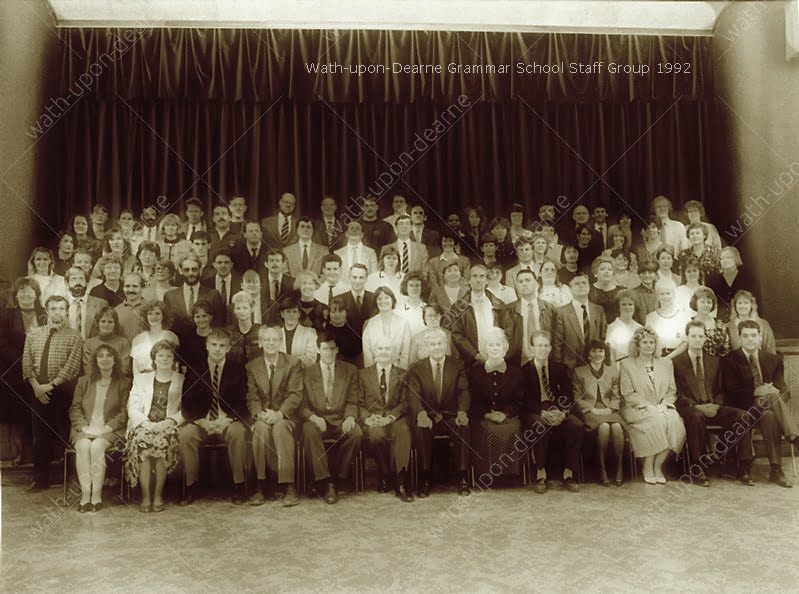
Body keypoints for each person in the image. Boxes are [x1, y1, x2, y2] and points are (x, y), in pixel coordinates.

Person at [673, 321, 754, 487]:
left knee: (743, 416)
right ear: (687, 338)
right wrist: (697, 406)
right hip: (691, 409)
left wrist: (716, 405)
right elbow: (678, 392)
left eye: (700, 336)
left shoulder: (715, 361)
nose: (697, 340)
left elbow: (721, 390)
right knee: (695, 418)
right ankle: (698, 468)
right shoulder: (677, 362)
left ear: (705, 338)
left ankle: (743, 468)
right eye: (693, 336)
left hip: (713, 407)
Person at [721, 320, 798, 488]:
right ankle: (793, 436)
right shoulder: (729, 360)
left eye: (753, 335)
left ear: (760, 337)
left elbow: (784, 390)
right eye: (746, 336)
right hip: (742, 408)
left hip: (766, 408)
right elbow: (731, 392)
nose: (750, 339)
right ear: (740, 338)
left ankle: (775, 469)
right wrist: (757, 391)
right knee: (767, 397)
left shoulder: (773, 358)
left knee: (769, 414)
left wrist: (771, 393)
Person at [179, 329, 250, 505]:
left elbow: (243, 403)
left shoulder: (237, 369)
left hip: (227, 420)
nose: (217, 349)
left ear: (228, 348)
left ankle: (238, 485)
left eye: (222, 346)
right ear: (207, 346)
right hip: (202, 421)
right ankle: (191, 486)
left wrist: (227, 419)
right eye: (214, 345)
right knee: (186, 434)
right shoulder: (195, 369)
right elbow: (186, 402)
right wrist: (202, 421)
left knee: (238, 433)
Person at [22, 295, 83, 491]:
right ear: (47, 311)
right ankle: (40, 479)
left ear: (67, 312)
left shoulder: (74, 336)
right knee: (40, 436)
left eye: (61, 308)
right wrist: (36, 386)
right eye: (53, 309)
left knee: (66, 433)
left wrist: (51, 385)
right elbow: (27, 363)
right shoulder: (34, 334)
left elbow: (72, 366)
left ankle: (72, 477)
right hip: (38, 391)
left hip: (62, 391)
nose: (57, 312)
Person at [299, 331, 363, 504]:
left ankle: (339, 477)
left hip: (340, 418)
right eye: (325, 349)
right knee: (308, 430)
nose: (328, 353)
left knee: (356, 433)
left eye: (332, 349)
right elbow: (301, 405)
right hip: (317, 419)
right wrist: (313, 417)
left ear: (337, 350)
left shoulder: (349, 370)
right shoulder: (306, 373)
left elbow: (353, 399)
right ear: (319, 350)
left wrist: (350, 417)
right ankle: (325, 481)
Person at [406, 328, 472, 497]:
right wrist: (420, 413)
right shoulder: (416, 368)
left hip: (450, 415)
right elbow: (413, 394)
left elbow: (463, 391)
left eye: (440, 343)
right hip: (427, 415)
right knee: (421, 430)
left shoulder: (457, 365)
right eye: (432, 344)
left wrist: (462, 412)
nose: (436, 347)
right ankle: (425, 477)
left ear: (446, 344)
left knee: (464, 427)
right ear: (427, 346)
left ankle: (463, 477)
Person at [619, 326, 686, 484]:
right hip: (636, 408)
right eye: (645, 342)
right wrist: (648, 406)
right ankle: (647, 466)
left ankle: (658, 465)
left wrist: (664, 404)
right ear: (637, 344)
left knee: (675, 422)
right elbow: (627, 393)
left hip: (662, 406)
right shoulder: (627, 364)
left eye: (652, 342)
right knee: (656, 422)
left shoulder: (666, 363)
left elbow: (672, 390)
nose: (649, 345)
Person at [124, 341, 185, 512]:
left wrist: (169, 422)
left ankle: (158, 495)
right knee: (144, 444)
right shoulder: (141, 378)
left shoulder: (181, 380)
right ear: (154, 358)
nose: (165, 359)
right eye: (161, 355)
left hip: (168, 425)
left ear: (174, 359)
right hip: (143, 424)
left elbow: (184, 410)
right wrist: (146, 423)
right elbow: (133, 407)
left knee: (161, 444)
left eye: (169, 356)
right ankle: (145, 496)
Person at [246, 325, 304, 506]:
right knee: (261, 430)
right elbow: (252, 396)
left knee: (280, 429)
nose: (271, 343)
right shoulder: (252, 366)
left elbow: (295, 394)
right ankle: (260, 485)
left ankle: (289, 486)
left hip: (285, 416)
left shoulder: (292, 363)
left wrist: (280, 414)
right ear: (260, 343)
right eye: (266, 340)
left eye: (275, 339)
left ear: (280, 342)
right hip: (263, 416)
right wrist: (259, 414)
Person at [69, 345, 131, 511]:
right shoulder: (84, 381)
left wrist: (108, 427)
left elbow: (125, 411)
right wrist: (84, 426)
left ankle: (96, 497)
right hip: (85, 427)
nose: (104, 359)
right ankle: (84, 497)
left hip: (110, 429)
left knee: (96, 446)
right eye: (100, 356)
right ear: (95, 360)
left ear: (114, 360)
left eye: (108, 356)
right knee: (83, 445)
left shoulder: (124, 382)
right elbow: (75, 407)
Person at [522, 330, 583, 494]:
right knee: (539, 425)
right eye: (539, 346)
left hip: (557, 409)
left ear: (550, 348)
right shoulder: (524, 370)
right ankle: (540, 474)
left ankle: (569, 474)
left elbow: (568, 394)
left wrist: (562, 411)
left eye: (546, 345)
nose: (543, 349)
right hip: (536, 411)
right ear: (532, 348)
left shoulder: (560, 368)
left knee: (575, 425)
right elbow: (523, 400)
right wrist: (542, 412)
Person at [358, 336, 414, 502]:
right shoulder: (363, 374)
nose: (383, 352)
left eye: (387, 349)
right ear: (374, 351)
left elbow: (405, 402)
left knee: (403, 431)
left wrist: (390, 417)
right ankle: (385, 473)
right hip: (373, 418)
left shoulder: (403, 374)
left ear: (394, 353)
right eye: (380, 349)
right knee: (376, 435)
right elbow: (358, 402)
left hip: (395, 417)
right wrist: (367, 418)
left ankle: (401, 480)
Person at [0, 278, 46, 466]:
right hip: (13, 372)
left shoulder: (44, 314)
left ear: (36, 295)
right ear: (16, 294)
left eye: (30, 291)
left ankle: (39, 454)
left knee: (37, 414)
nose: (26, 294)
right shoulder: (6, 315)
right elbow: (1, 342)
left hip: (40, 372)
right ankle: (20, 453)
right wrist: (22, 362)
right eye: (22, 291)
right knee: (17, 415)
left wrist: (36, 365)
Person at [468, 327, 525, 480]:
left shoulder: (516, 373)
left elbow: (519, 400)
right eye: (491, 345)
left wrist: (505, 413)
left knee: (513, 428)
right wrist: (487, 414)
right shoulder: (475, 372)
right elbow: (473, 400)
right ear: (485, 348)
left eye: (498, 345)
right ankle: (487, 475)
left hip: (508, 416)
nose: (494, 348)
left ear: (505, 348)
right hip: (483, 417)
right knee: (486, 430)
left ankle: (510, 475)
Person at [574, 341, 627, 487]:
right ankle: (601, 468)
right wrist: (592, 409)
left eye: (601, 351)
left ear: (605, 354)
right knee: (604, 427)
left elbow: (617, 395)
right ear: (588, 354)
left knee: (616, 427)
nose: (598, 354)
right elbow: (577, 397)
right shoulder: (579, 372)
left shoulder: (612, 371)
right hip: (590, 410)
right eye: (594, 351)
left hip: (609, 409)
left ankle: (619, 467)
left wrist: (611, 408)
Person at [449, 265, 511, 365]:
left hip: (496, 359)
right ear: (469, 280)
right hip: (471, 361)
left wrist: (498, 352)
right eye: (475, 276)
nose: (478, 280)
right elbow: (457, 335)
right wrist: (475, 355)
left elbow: (508, 330)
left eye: (482, 276)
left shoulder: (498, 305)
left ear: (487, 280)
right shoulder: (458, 307)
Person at [553, 273, 607, 369]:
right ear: (570, 288)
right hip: (570, 366)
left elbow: (602, 338)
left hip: (595, 365)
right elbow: (558, 343)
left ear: (589, 287)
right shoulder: (562, 312)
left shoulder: (598, 310)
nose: (581, 285)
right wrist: (559, 367)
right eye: (577, 284)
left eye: (584, 283)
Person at [163, 255, 225, 338]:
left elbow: (219, 324)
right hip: (179, 344)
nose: (190, 273)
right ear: (180, 271)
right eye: (186, 270)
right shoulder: (170, 296)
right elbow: (167, 325)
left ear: (200, 270)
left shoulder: (213, 294)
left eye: (194, 269)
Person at [706, 246, 757, 322]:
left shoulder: (748, 279)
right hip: (720, 321)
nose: (725, 260)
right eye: (722, 258)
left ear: (736, 259)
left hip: (743, 321)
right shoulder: (713, 280)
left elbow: (754, 302)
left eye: (728, 257)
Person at [645, 279, 692, 358]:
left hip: (680, 357)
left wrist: (668, 358)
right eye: (662, 294)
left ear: (673, 295)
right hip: (658, 357)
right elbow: (649, 341)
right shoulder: (651, 318)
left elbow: (686, 342)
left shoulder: (684, 316)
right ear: (657, 296)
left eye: (668, 293)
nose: (665, 296)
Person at [130, 301, 180, 375]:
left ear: (163, 316)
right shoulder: (138, 339)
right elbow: (135, 368)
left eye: (157, 313)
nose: (153, 317)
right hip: (143, 380)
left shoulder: (171, 337)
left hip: (165, 379)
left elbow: (176, 365)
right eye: (150, 313)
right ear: (145, 316)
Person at [83, 305, 132, 377]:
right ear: (97, 323)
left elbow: (125, 368)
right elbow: (88, 369)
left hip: (117, 382)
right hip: (94, 382)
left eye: (110, 322)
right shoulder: (88, 343)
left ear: (115, 324)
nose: (106, 325)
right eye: (103, 321)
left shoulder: (123, 342)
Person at [64, 266, 108, 340]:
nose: (78, 282)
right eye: (73, 279)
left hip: (92, 348)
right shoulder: (60, 304)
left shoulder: (101, 304)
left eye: (81, 278)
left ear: (87, 282)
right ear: (67, 283)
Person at [335, 263, 377, 334]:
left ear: (366, 278)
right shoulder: (339, 299)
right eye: (354, 277)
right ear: (349, 278)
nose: (357, 281)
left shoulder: (374, 298)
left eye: (361, 277)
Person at [688, 287, 730, 357]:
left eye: (709, 302)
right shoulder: (689, 324)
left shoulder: (720, 324)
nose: (706, 305)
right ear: (695, 303)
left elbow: (726, 348)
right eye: (702, 302)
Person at [277, 296, 318, 367]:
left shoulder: (309, 333)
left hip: (302, 375)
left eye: (294, 311)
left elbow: (311, 360)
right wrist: (299, 358)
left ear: (299, 314)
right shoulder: (275, 334)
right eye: (288, 311)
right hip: (281, 375)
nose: (291, 315)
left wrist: (286, 361)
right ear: (282, 314)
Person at [605, 289, 643, 362]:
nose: (627, 307)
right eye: (624, 304)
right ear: (618, 307)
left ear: (635, 306)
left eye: (630, 304)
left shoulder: (640, 328)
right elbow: (611, 353)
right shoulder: (612, 327)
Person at [226, 291, 262, 364]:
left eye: (245, 308)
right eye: (238, 308)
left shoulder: (261, 330)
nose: (241, 311)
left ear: (252, 309)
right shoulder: (228, 332)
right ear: (234, 311)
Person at [180, 301, 215, 373]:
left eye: (204, 316)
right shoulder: (187, 338)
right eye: (197, 317)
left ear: (211, 317)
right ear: (193, 318)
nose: (201, 320)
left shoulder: (217, 336)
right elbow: (184, 364)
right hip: (192, 377)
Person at [114, 272, 147, 341]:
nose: (131, 290)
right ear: (123, 288)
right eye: (127, 286)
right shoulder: (116, 311)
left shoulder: (150, 309)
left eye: (135, 286)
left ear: (142, 288)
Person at [589, 256, 621, 323]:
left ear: (613, 273)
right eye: (602, 269)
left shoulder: (620, 291)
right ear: (595, 273)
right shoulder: (588, 290)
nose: (606, 272)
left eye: (609, 269)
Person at [396, 272, 427, 336]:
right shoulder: (398, 311)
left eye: (417, 285)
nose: (414, 289)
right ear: (406, 288)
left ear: (422, 288)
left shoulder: (428, 309)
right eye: (411, 285)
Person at [631, 261, 658, 325]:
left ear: (655, 275)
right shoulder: (633, 293)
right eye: (643, 273)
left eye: (650, 273)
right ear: (639, 275)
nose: (647, 275)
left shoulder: (659, 292)